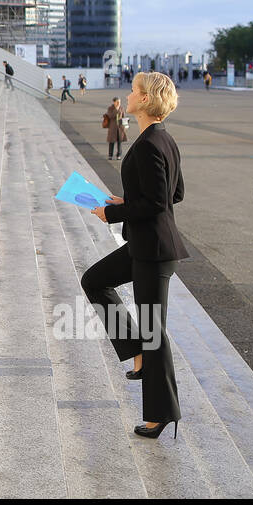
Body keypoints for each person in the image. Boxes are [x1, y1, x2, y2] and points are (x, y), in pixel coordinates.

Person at [82, 71, 187, 440]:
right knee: (94, 281)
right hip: (145, 246)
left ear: (145, 100)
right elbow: (175, 195)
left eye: (134, 90)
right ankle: (135, 350)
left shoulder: (149, 144)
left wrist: (111, 213)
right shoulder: (163, 140)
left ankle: (161, 414)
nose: (128, 94)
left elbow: (160, 202)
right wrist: (126, 201)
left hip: (154, 252)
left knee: (154, 331)